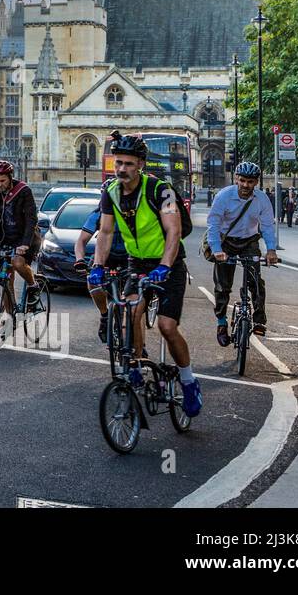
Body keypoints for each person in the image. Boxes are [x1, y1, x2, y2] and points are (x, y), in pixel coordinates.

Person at [91, 134, 202, 417]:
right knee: (129, 313)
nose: (122, 169)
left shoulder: (160, 190)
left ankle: (188, 381)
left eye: (128, 163)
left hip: (169, 264)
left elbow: (174, 231)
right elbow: (105, 231)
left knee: (166, 326)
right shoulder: (111, 191)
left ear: (140, 164)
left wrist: (164, 266)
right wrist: (97, 266)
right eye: (118, 163)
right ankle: (136, 365)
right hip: (137, 263)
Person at [207, 161, 278, 341]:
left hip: (249, 241)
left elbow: (268, 226)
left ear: (256, 182)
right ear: (236, 179)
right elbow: (213, 225)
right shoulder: (223, 196)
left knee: (256, 282)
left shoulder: (262, 200)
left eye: (251, 182)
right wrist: (216, 250)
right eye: (243, 180)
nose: (246, 185)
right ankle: (221, 323)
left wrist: (271, 250)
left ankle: (259, 320)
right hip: (226, 242)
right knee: (222, 285)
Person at [0, 159, 42, 316]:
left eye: (2, 180)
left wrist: (25, 244)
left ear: (11, 177)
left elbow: (32, 219)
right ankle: (10, 317)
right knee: (5, 280)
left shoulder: (24, 191)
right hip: (4, 237)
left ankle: (33, 285)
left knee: (17, 263)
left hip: (26, 237)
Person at [76, 200, 128, 343]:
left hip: (130, 255)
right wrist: (79, 260)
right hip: (106, 254)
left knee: (135, 300)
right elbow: (81, 241)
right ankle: (105, 315)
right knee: (92, 282)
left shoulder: (132, 212)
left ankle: (138, 343)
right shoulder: (98, 213)